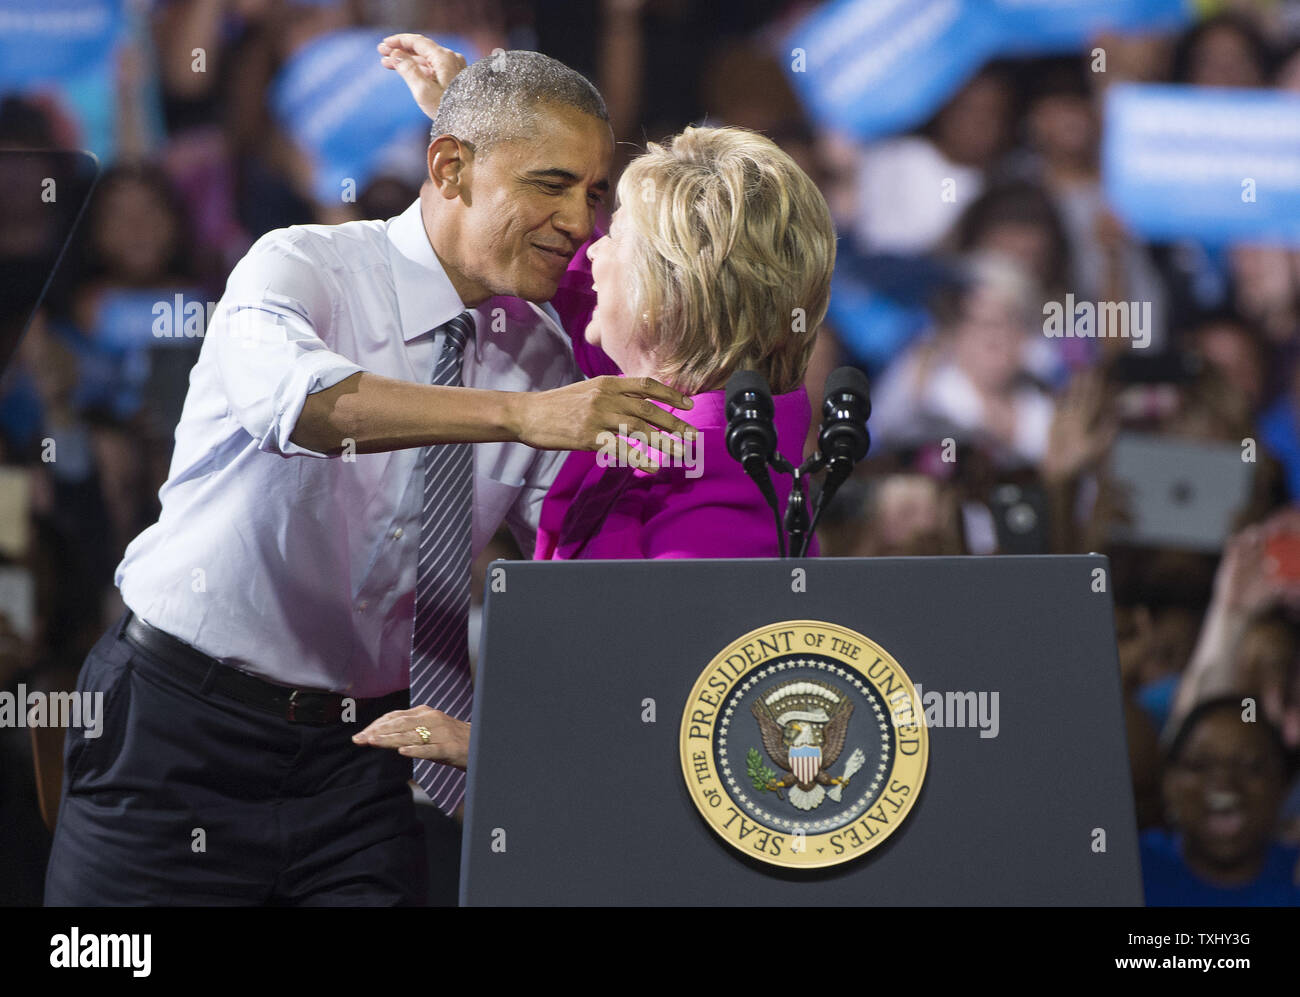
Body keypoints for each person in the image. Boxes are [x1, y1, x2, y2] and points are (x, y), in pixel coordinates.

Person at [44, 49, 696, 906]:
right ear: (450, 167)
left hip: (364, 762)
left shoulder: (542, 356)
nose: (580, 221)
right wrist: (518, 417)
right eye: (551, 184)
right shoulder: (301, 266)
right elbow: (309, 411)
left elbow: (580, 537)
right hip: (175, 731)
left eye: (593, 193)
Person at [354, 39, 835, 764]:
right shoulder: (659, 395)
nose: (588, 243)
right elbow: (571, 276)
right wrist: (481, 128)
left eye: (617, 235)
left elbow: (681, 735)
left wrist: (479, 747)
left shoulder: (723, 485)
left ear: (671, 295)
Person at [1141, 696, 1300, 906]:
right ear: (1168, 782)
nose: (1224, 784)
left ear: (1283, 785)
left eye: (1250, 766)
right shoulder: (1129, 865)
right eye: (1200, 765)